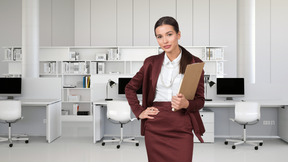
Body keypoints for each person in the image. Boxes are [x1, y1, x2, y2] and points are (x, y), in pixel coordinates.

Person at [125, 16, 205, 162]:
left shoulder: (195, 63)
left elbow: (200, 101)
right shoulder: (151, 63)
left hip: (181, 124)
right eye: (159, 37)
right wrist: (139, 111)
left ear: (178, 35)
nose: (165, 41)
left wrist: (186, 104)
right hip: (156, 125)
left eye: (169, 34)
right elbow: (130, 88)